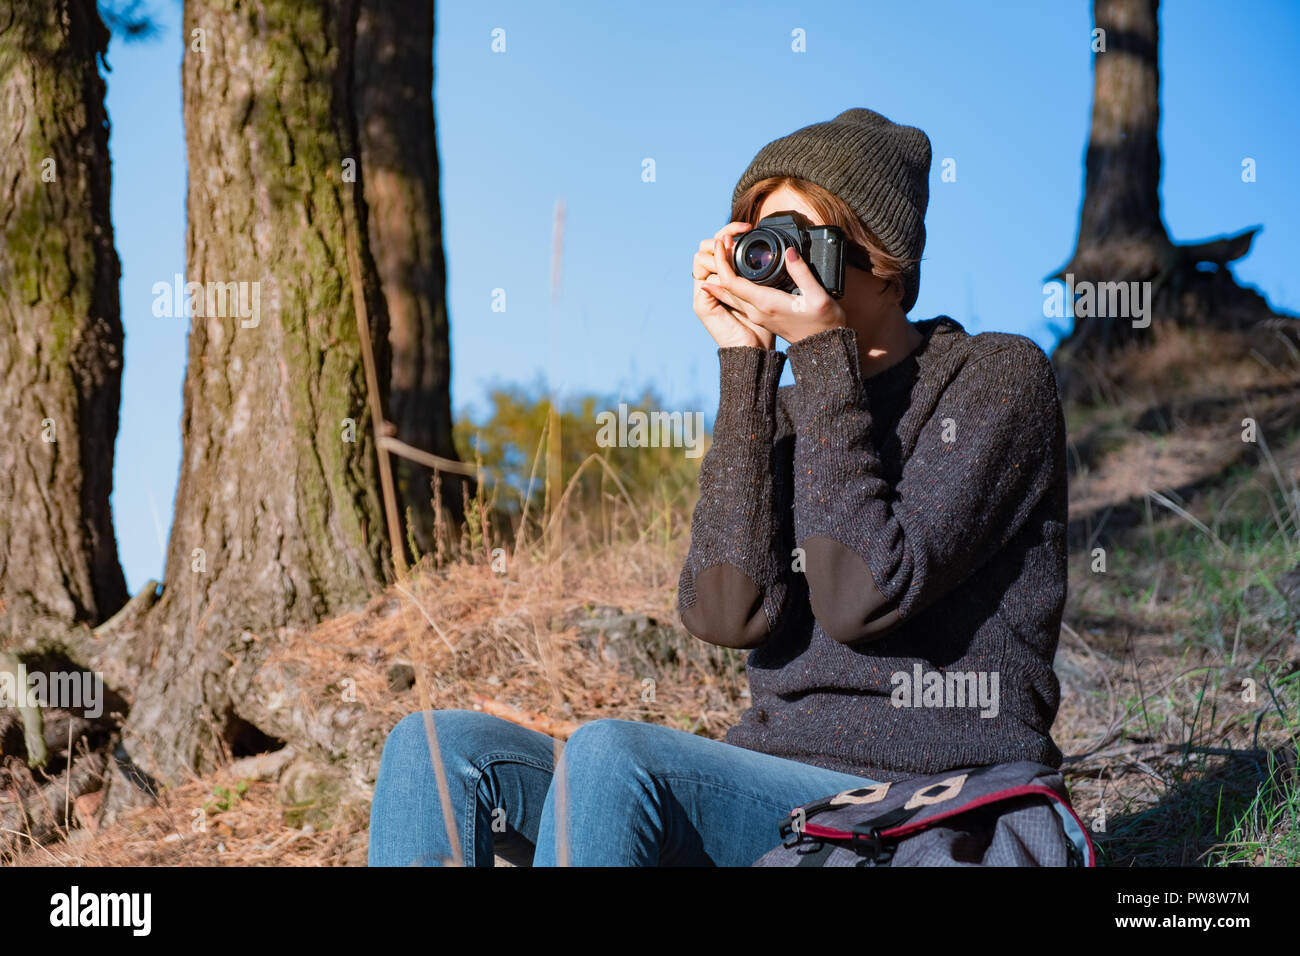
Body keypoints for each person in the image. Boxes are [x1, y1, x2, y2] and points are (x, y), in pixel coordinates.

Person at [367, 108, 1069, 867]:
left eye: (809, 244)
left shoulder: (995, 378)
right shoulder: (785, 405)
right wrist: (747, 369)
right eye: (766, 242)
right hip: (772, 793)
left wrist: (822, 355)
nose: (783, 265)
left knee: (611, 755)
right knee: (434, 750)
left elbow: (861, 596)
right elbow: (726, 612)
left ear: (887, 267)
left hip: (920, 801)